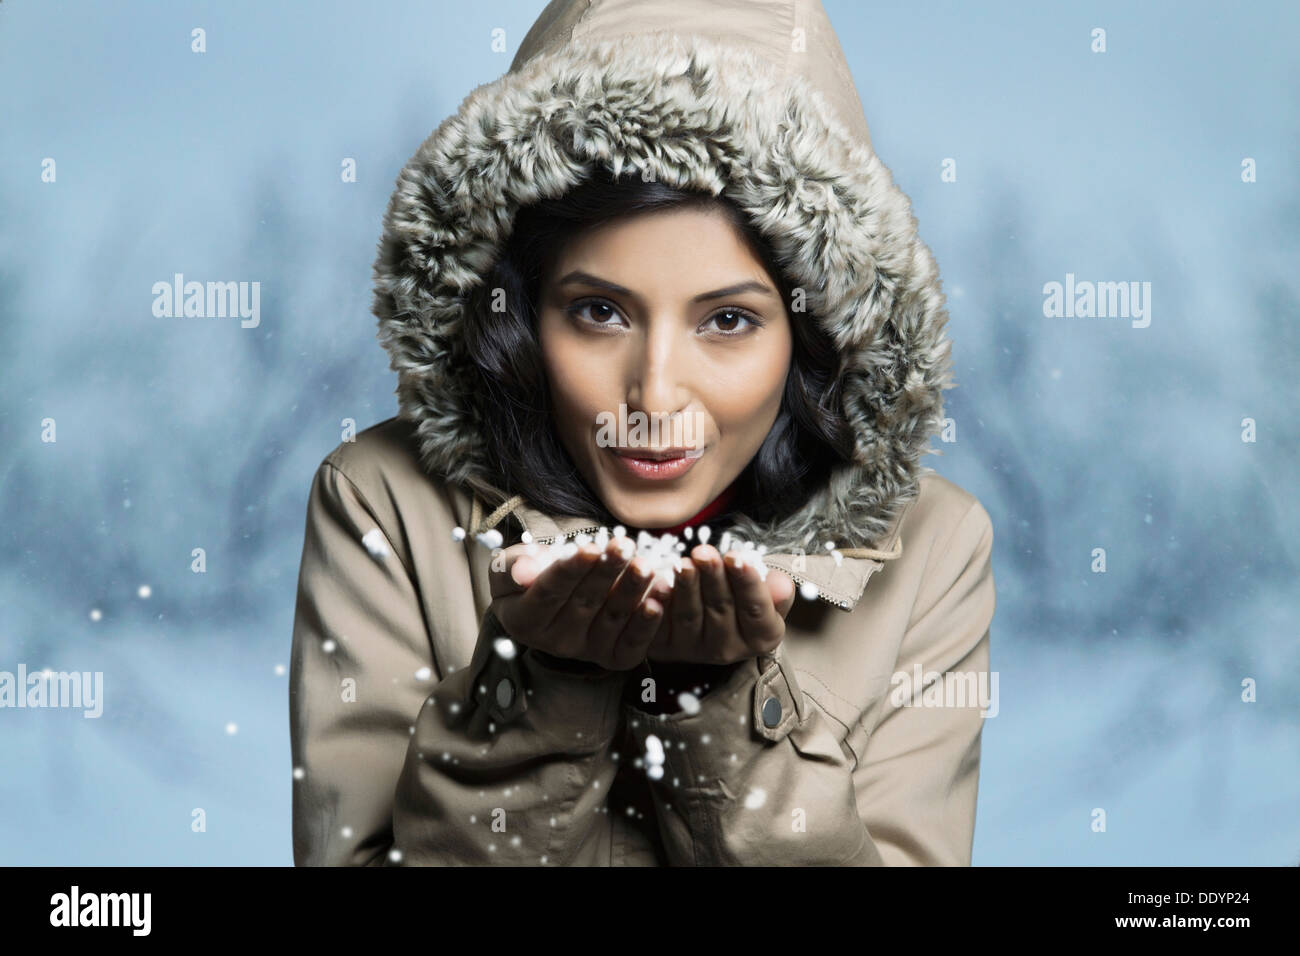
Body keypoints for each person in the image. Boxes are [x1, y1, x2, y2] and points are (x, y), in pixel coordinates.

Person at [290, 0, 996, 866]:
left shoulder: (936, 547)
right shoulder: (383, 502)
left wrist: (724, 710)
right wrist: (540, 686)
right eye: (598, 312)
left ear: (815, 336)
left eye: (728, 321)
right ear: (515, 315)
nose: (654, 395)